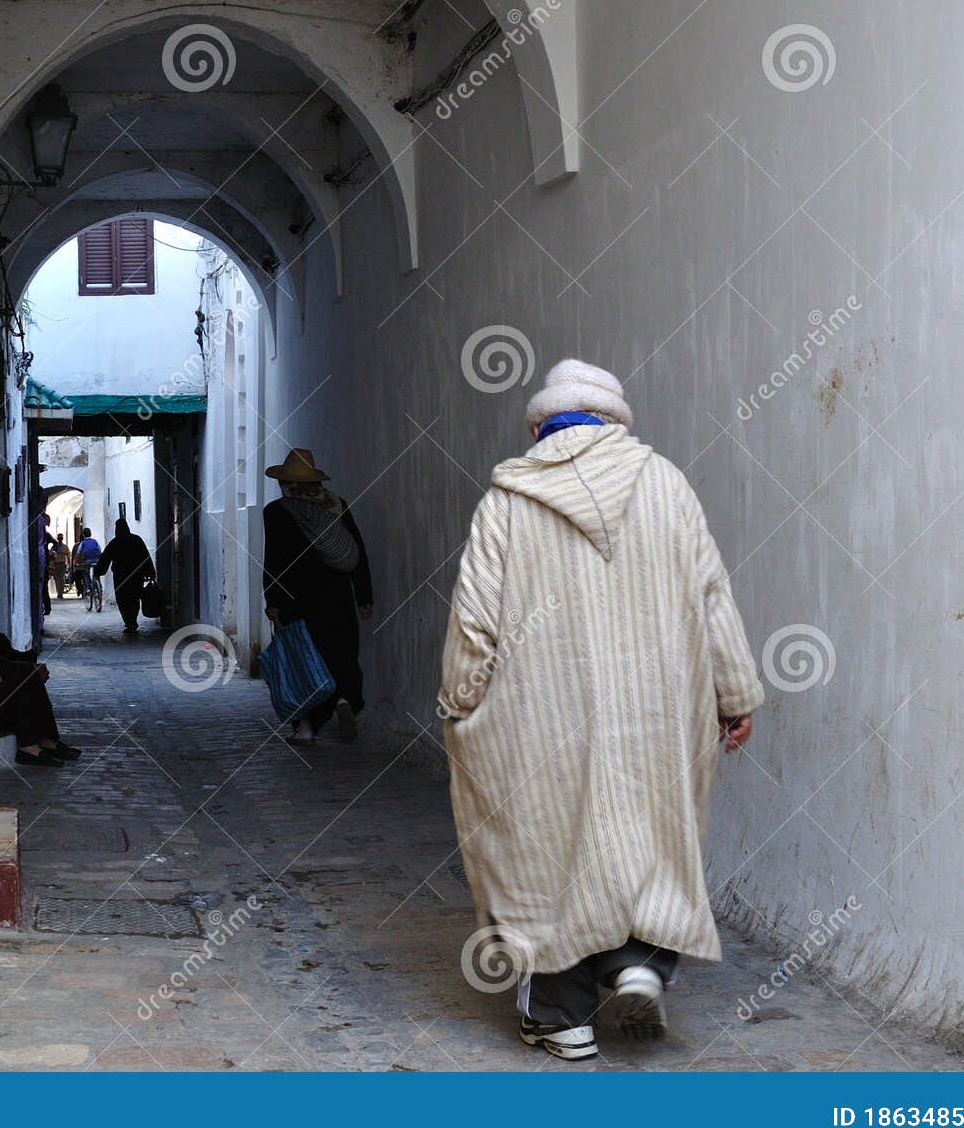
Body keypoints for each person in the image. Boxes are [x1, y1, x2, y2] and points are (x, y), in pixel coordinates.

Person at [438, 359, 762, 1061]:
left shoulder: (508, 500)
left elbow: (474, 622)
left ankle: (562, 1016)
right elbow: (711, 593)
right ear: (616, 421)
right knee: (647, 828)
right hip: (655, 712)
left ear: (538, 426)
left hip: (542, 719)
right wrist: (735, 692)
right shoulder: (667, 484)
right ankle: (640, 960)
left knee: (547, 847)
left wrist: (460, 702)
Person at [262, 448, 373, 743]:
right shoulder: (336, 505)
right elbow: (356, 551)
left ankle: (307, 728)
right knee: (340, 653)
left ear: (286, 483)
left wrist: (272, 600)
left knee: (304, 660)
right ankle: (343, 700)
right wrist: (364, 596)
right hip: (337, 595)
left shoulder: (276, 512)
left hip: (297, 597)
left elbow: (274, 558)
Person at [0, 574, 80, 767]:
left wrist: (30, 662)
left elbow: (5, 652)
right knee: (26, 678)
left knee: (29, 677)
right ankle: (29, 746)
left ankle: (47, 740)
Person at [94, 517, 154, 633]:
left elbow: (105, 558)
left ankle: (129, 621)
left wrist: (98, 572)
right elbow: (145, 557)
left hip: (120, 577)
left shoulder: (115, 543)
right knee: (134, 599)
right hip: (136, 576)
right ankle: (132, 621)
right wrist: (150, 572)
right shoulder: (136, 540)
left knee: (123, 600)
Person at [72, 526, 104, 611]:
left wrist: (76, 564)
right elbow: (100, 550)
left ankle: (88, 589)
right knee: (96, 574)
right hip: (97, 560)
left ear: (83, 534)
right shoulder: (95, 541)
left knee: (86, 572)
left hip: (88, 560)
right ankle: (99, 587)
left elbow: (78, 554)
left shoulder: (83, 543)